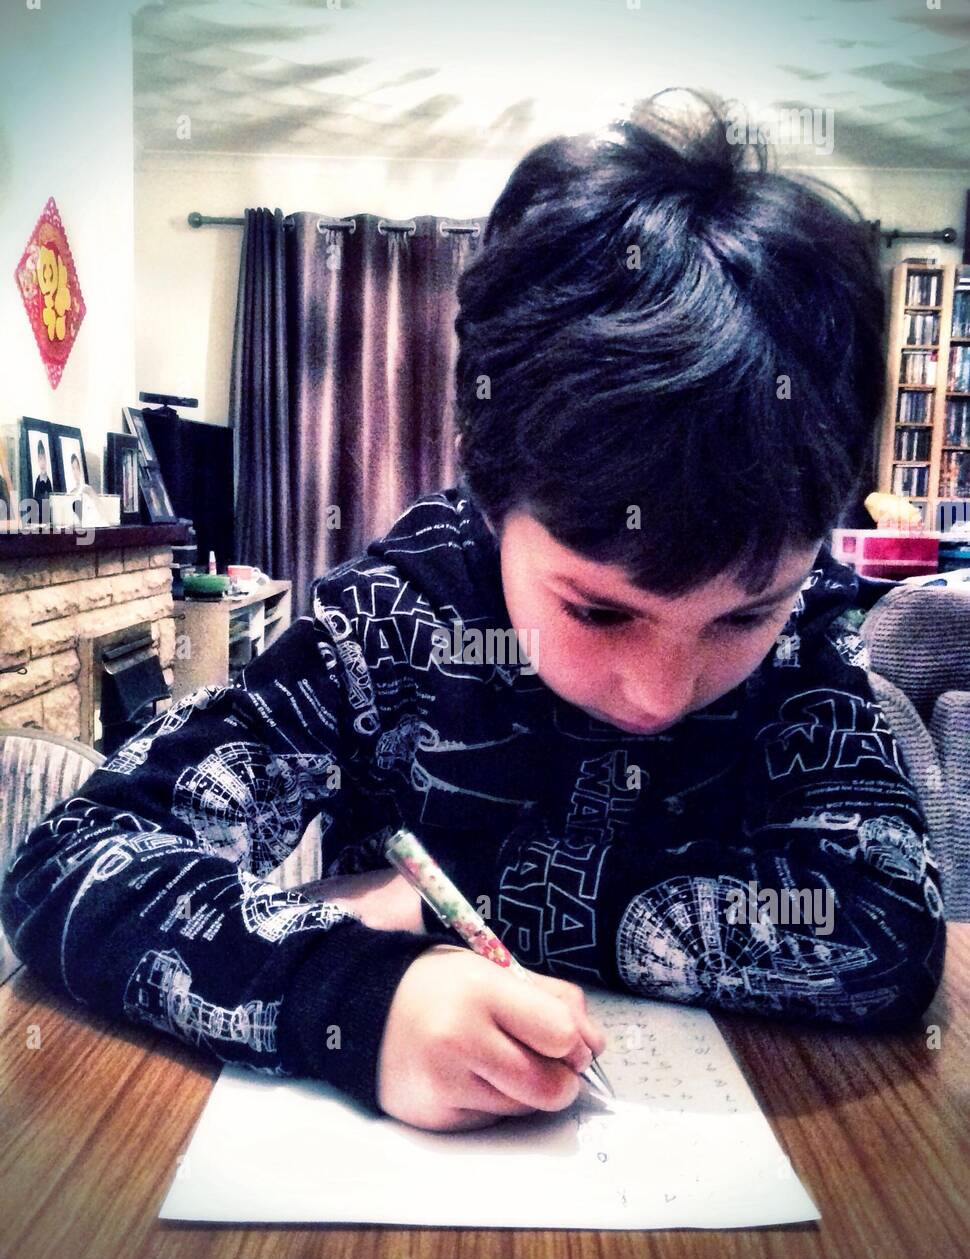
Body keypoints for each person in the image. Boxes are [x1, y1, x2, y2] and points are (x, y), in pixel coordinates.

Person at [0, 94, 946, 1135]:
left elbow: (888, 926)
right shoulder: (392, 621)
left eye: (740, 618)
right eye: (598, 610)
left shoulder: (809, 626)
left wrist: (462, 900)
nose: (659, 693)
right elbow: (67, 860)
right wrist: (357, 996)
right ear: (494, 500)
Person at [32, 439, 53, 522]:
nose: (42, 462)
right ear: (37, 460)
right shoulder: (37, 481)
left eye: (44, 458)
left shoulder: (49, 481)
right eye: (40, 459)